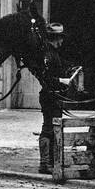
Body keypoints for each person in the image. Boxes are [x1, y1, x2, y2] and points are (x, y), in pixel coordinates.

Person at [37, 23, 77, 174]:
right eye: (61, 38)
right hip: (49, 95)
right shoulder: (47, 54)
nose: (62, 41)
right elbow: (45, 78)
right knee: (48, 128)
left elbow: (59, 67)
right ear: (56, 38)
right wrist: (61, 80)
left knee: (54, 128)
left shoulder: (53, 53)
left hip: (55, 96)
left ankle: (53, 162)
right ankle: (45, 163)